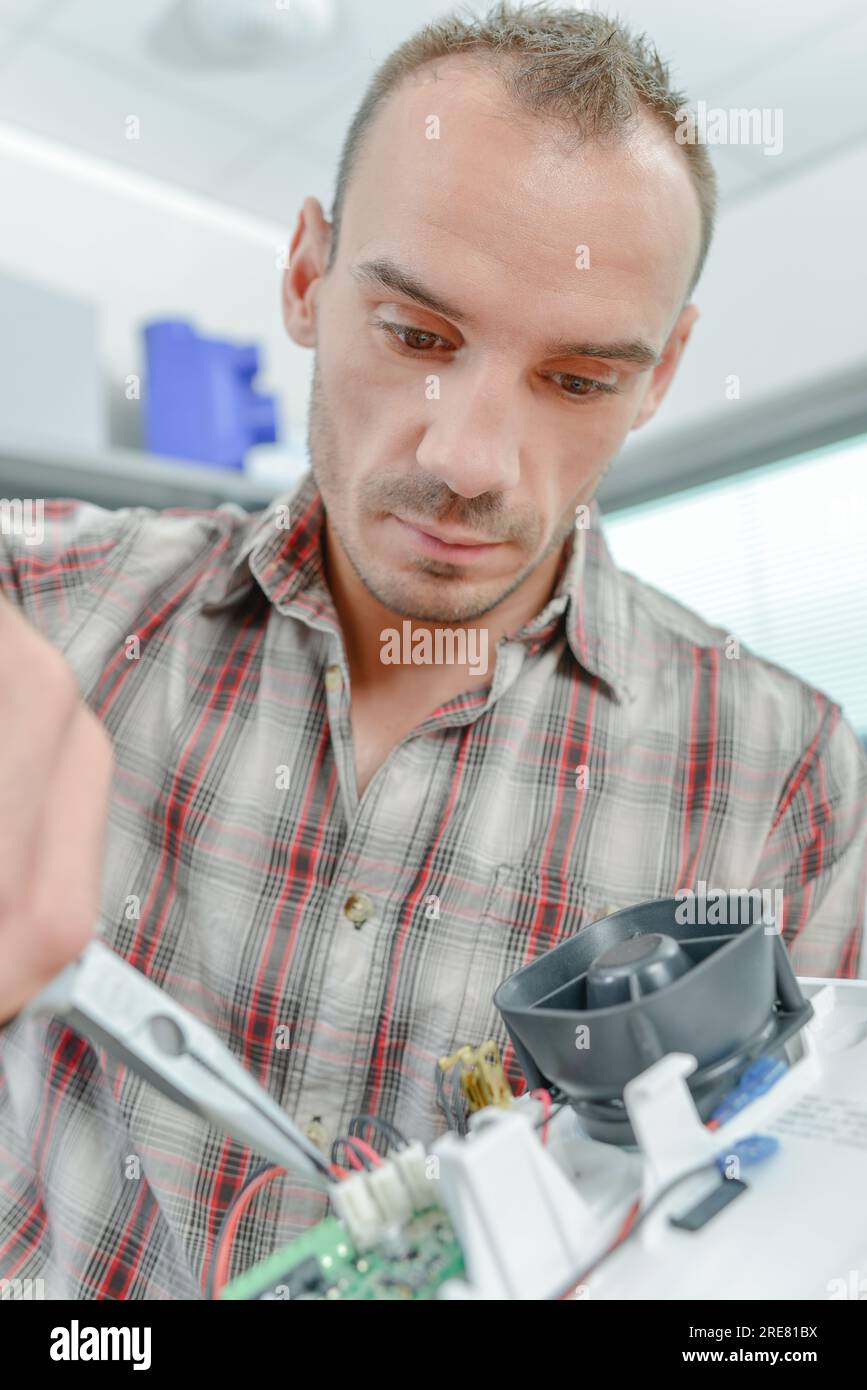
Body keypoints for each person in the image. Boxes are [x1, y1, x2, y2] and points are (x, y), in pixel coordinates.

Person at [1, 3, 864, 1299]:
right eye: (416, 336)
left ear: (664, 372)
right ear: (305, 275)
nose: (466, 460)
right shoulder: (42, 596)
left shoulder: (793, 784)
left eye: (576, 380)